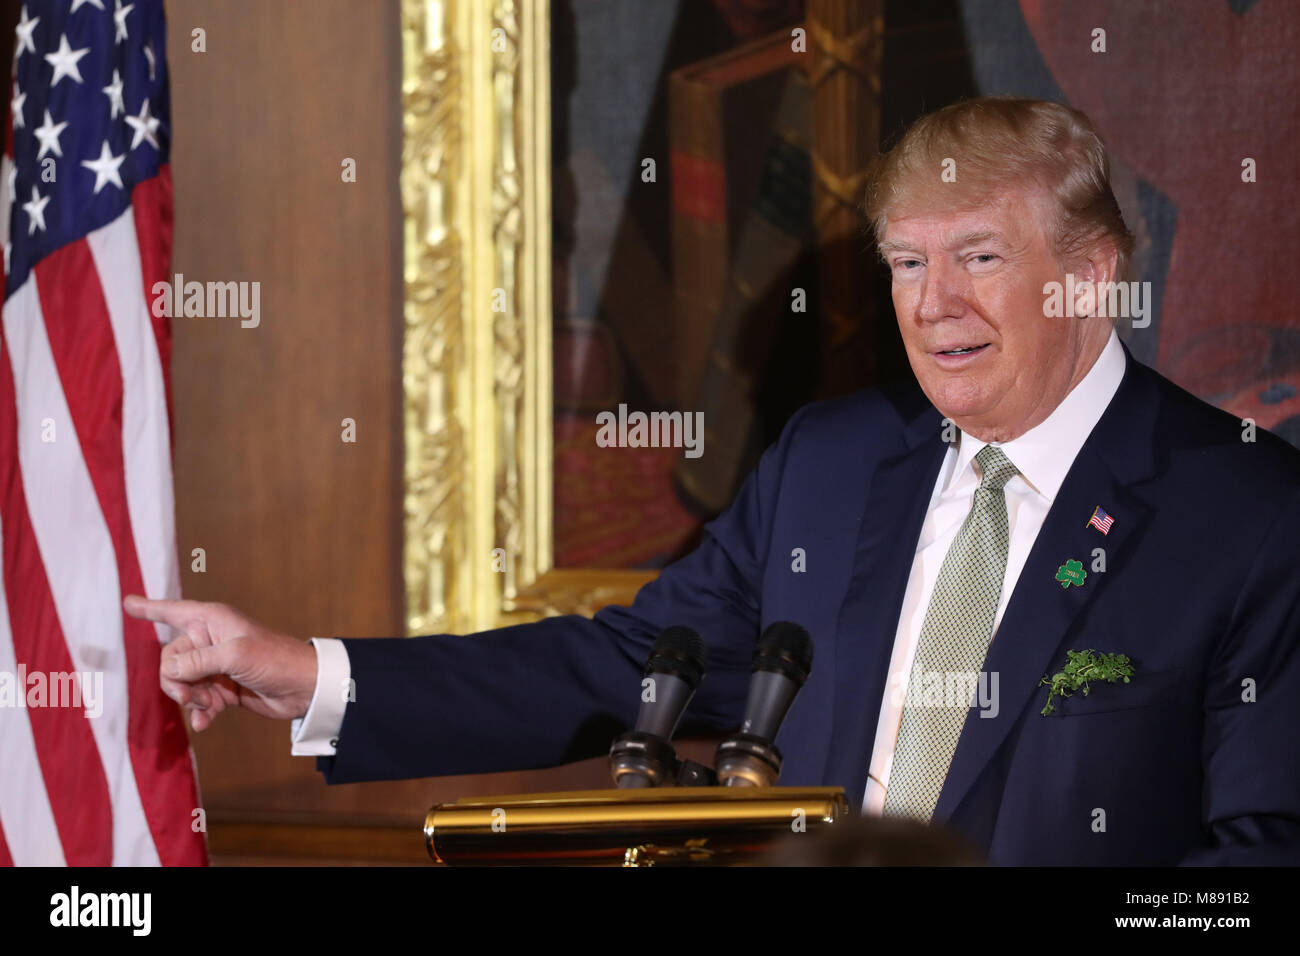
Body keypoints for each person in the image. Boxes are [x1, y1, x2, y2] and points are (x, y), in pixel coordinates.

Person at [125, 96, 1300, 865]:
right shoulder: (832, 463)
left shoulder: (1247, 514)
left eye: (979, 258)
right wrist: (304, 669)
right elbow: (629, 667)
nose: (931, 304)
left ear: (1088, 280)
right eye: (905, 262)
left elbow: (1259, 854)